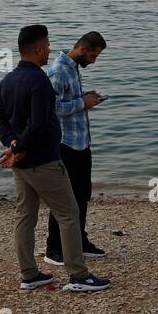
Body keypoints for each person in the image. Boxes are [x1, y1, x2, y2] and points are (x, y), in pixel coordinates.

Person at [0, 24, 111, 292]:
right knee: (69, 213)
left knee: (25, 216)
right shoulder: (40, 81)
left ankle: (30, 274)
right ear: (37, 49)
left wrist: (13, 145)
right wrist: (20, 147)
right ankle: (79, 276)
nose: (48, 51)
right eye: (46, 46)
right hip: (44, 160)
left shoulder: (7, 80)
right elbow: (39, 125)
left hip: (21, 164)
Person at [44, 31, 107, 264]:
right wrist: (83, 103)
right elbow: (51, 107)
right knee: (64, 198)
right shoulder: (59, 69)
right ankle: (53, 248)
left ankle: (79, 240)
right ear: (82, 49)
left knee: (81, 195)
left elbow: (67, 99)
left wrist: (85, 96)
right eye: (93, 55)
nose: (94, 60)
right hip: (65, 145)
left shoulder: (72, 68)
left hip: (81, 143)